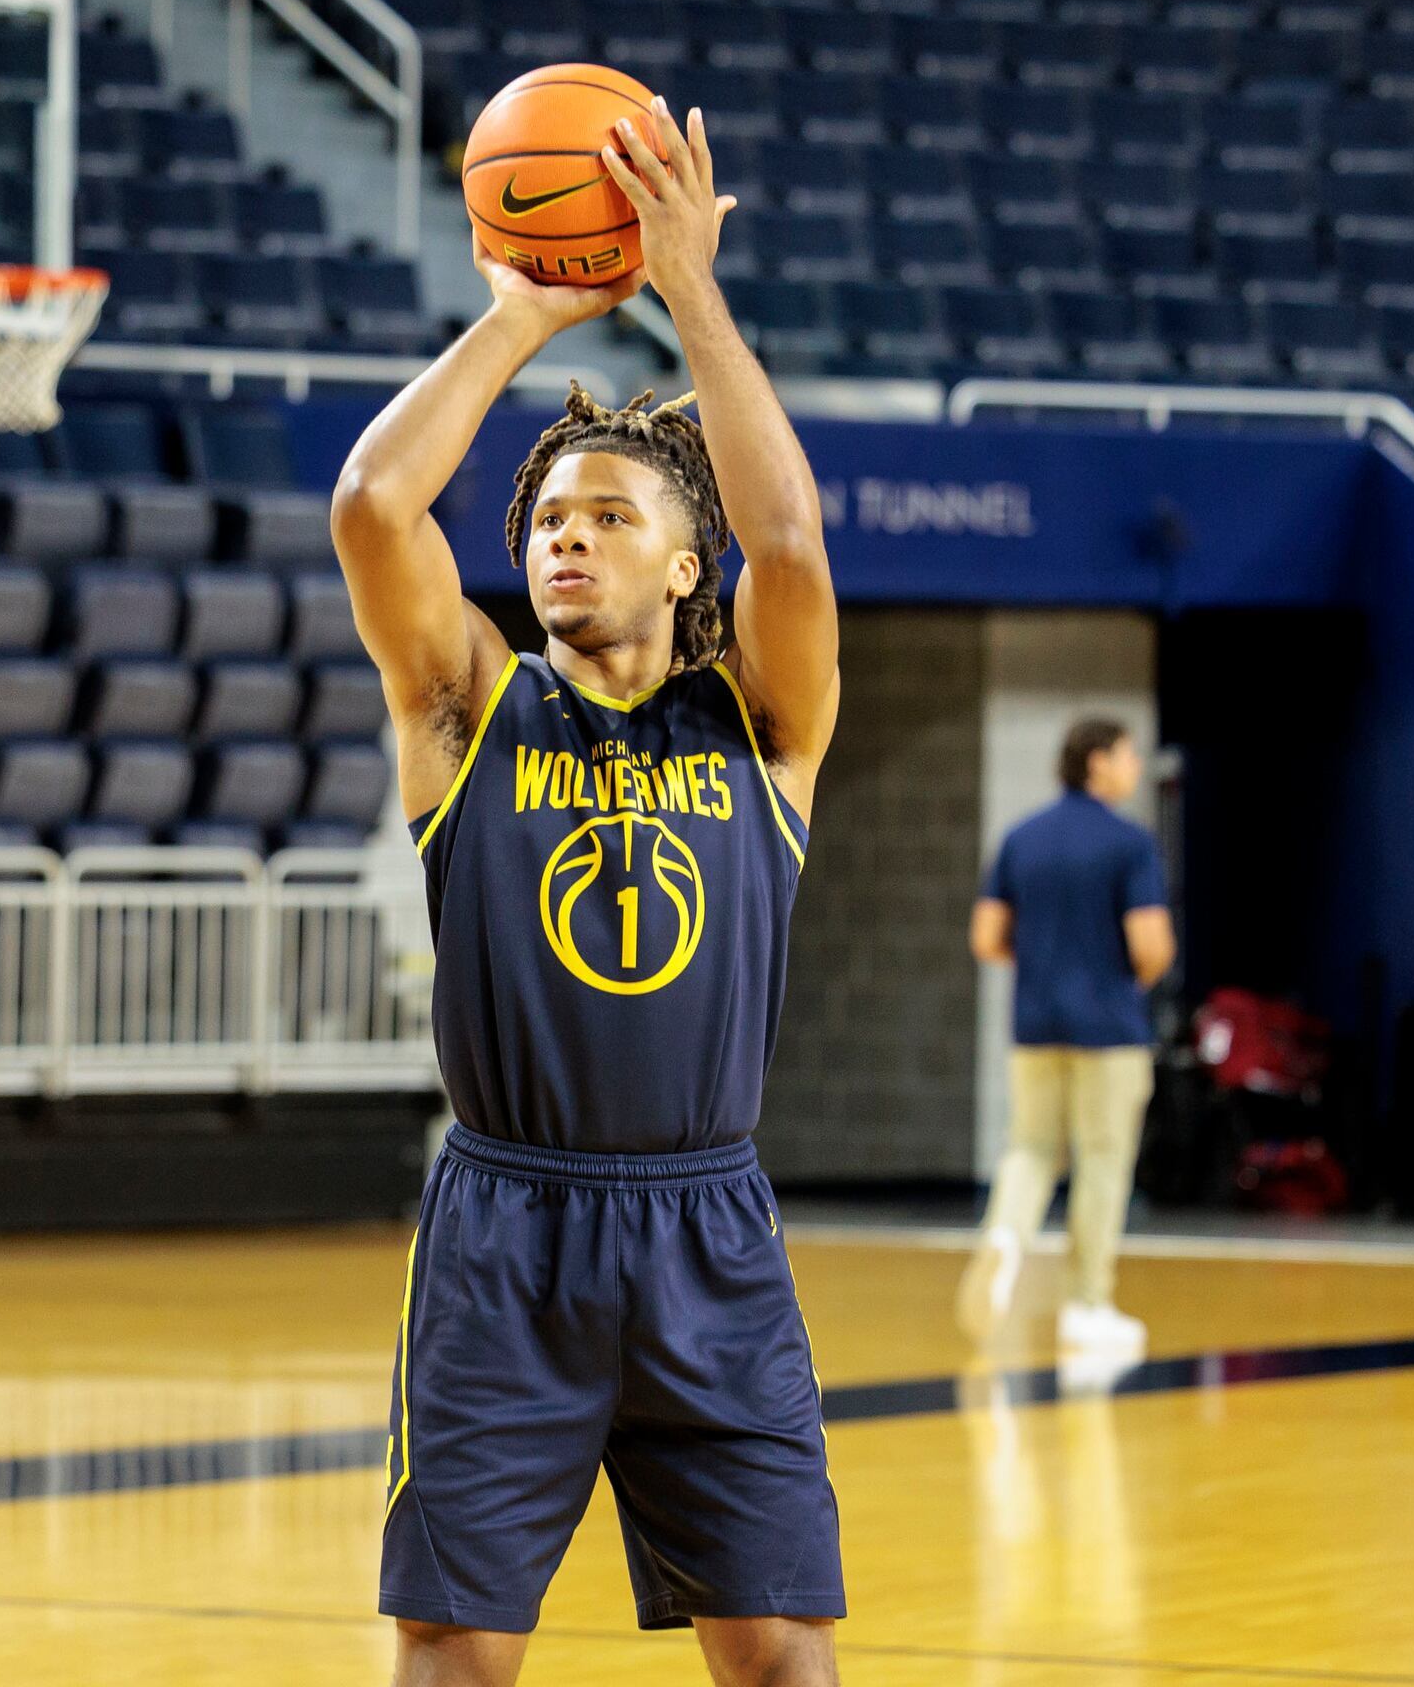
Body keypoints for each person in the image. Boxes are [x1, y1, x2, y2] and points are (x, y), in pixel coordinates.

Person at [332, 98, 847, 1687]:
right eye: (551, 520)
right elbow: (370, 508)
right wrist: (517, 315)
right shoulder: (468, 709)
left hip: (708, 1226)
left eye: (612, 517)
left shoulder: (764, 725)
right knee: (457, 1649)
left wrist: (689, 282)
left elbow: (793, 537)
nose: (568, 540)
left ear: (684, 565)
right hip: (507, 1224)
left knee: (778, 1652)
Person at [956, 718, 1177, 1358]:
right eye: (1129, 755)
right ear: (1099, 763)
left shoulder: (1021, 839)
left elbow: (986, 937)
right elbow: (1151, 945)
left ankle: (1003, 1241)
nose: (1136, 766)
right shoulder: (1129, 845)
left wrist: (1045, 968)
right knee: (1102, 1161)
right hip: (1109, 1028)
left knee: (1029, 1149)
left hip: (1035, 1026)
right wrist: (1126, 978)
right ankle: (1087, 1304)